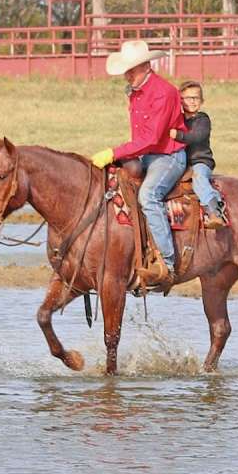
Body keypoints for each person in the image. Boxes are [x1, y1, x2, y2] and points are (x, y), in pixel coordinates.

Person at [90, 40, 186, 289]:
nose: (127, 74)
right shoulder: (136, 92)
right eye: (126, 69)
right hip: (147, 153)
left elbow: (152, 137)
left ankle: (167, 263)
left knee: (148, 195)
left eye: (131, 69)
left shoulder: (164, 92)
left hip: (168, 155)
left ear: (145, 66)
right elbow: (141, 139)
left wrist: (114, 152)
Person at [169, 81, 226, 229]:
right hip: (181, 162)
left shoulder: (202, 119)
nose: (192, 101)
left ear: (201, 101)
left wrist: (178, 135)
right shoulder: (178, 119)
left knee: (199, 178)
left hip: (200, 161)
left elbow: (197, 137)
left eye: (196, 98)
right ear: (180, 100)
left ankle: (214, 210)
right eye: (187, 98)